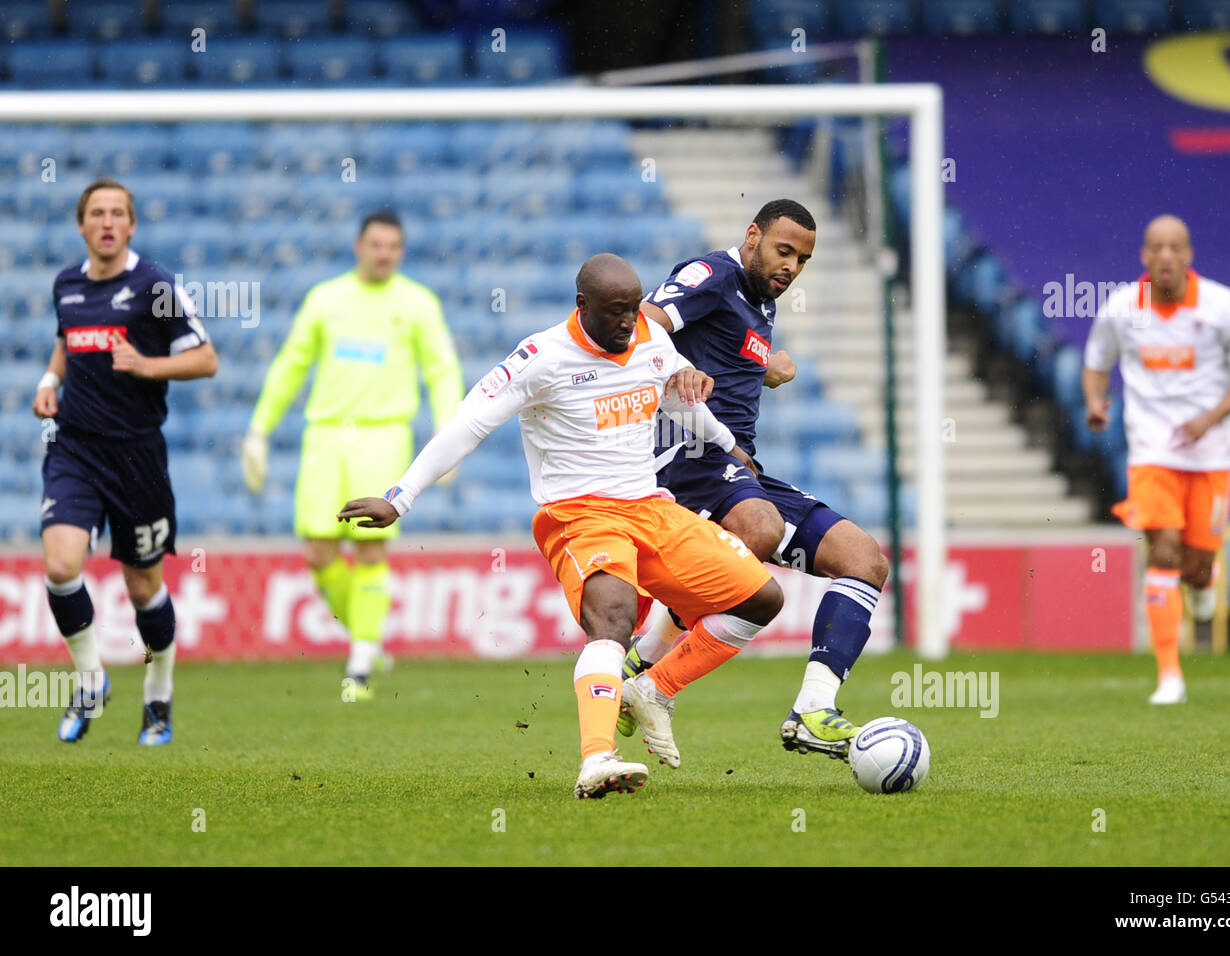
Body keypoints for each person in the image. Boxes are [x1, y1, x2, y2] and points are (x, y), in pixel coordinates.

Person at [338, 254, 785, 798]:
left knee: (760, 599)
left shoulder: (649, 336)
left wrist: (726, 443)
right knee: (614, 621)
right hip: (580, 514)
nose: (629, 321)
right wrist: (400, 497)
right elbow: (467, 426)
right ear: (584, 306)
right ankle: (597, 759)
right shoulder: (540, 357)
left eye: (633, 308)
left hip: (651, 507)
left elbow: (675, 397)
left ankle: (654, 689)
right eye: (616, 312)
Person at [628, 199, 890, 760]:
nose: (791, 267)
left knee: (865, 560)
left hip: (739, 465)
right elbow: (644, 323)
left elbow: (725, 353)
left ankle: (814, 710)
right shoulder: (713, 275)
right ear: (752, 236)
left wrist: (767, 367)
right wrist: (677, 369)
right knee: (759, 530)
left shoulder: (760, 303)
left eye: (803, 260)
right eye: (783, 250)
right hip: (688, 458)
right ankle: (652, 668)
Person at [241, 211, 463, 698]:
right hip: (324, 437)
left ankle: (361, 661)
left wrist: (450, 435)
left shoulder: (417, 303)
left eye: (393, 246)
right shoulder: (326, 299)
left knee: (369, 547)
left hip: (383, 436)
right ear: (359, 246)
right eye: (376, 244)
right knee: (318, 553)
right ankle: (369, 634)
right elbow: (291, 365)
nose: (384, 253)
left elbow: (441, 370)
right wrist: (259, 429)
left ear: (400, 252)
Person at [35, 178, 219, 745]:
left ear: (132, 225)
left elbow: (206, 359)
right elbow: (69, 340)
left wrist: (147, 365)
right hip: (75, 449)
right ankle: (91, 682)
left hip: (137, 455)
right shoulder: (66, 285)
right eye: (97, 213)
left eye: (118, 213)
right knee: (62, 566)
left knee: (143, 588)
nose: (108, 222)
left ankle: (158, 696)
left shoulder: (155, 285)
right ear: (82, 225)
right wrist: (49, 379)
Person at [1084, 214, 1230, 704]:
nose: (1166, 256)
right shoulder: (1122, 308)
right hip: (1152, 449)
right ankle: (1170, 676)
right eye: (1156, 247)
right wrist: (1095, 403)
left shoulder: (1221, 305)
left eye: (1175, 247)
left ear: (1189, 255)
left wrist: (1212, 417)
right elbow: (1096, 363)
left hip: (1212, 451)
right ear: (1144, 255)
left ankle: (1204, 579)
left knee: (1197, 565)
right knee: (1162, 548)